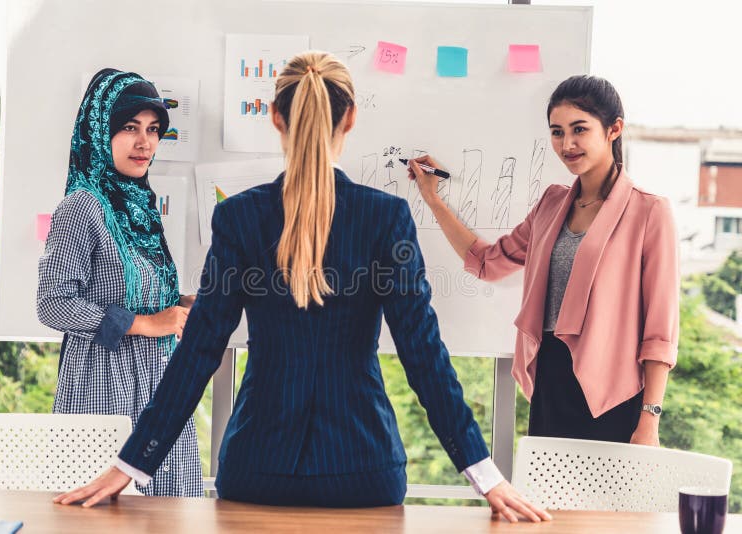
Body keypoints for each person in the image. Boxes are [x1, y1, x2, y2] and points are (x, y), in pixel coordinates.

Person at [53, 52, 550, 523]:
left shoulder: (239, 216)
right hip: (362, 469)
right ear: (350, 118)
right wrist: (485, 475)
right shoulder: (386, 218)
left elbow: (200, 350)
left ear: (274, 117)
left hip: (257, 467)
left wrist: (131, 465)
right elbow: (422, 354)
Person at [407, 75, 678, 446]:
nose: (567, 144)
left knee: (604, 506)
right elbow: (488, 262)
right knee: (549, 504)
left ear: (614, 129)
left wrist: (649, 420)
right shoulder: (552, 203)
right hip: (550, 382)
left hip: (614, 396)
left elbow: (660, 332)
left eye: (579, 129)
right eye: (557, 131)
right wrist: (433, 200)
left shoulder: (650, 211)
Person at [37, 68, 202, 497]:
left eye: (153, 130)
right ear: (100, 130)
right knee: (101, 517)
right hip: (102, 381)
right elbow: (53, 303)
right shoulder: (81, 206)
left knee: (165, 520)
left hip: (157, 381)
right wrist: (146, 324)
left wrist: (182, 303)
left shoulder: (139, 206)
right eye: (129, 128)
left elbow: (138, 291)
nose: (145, 142)